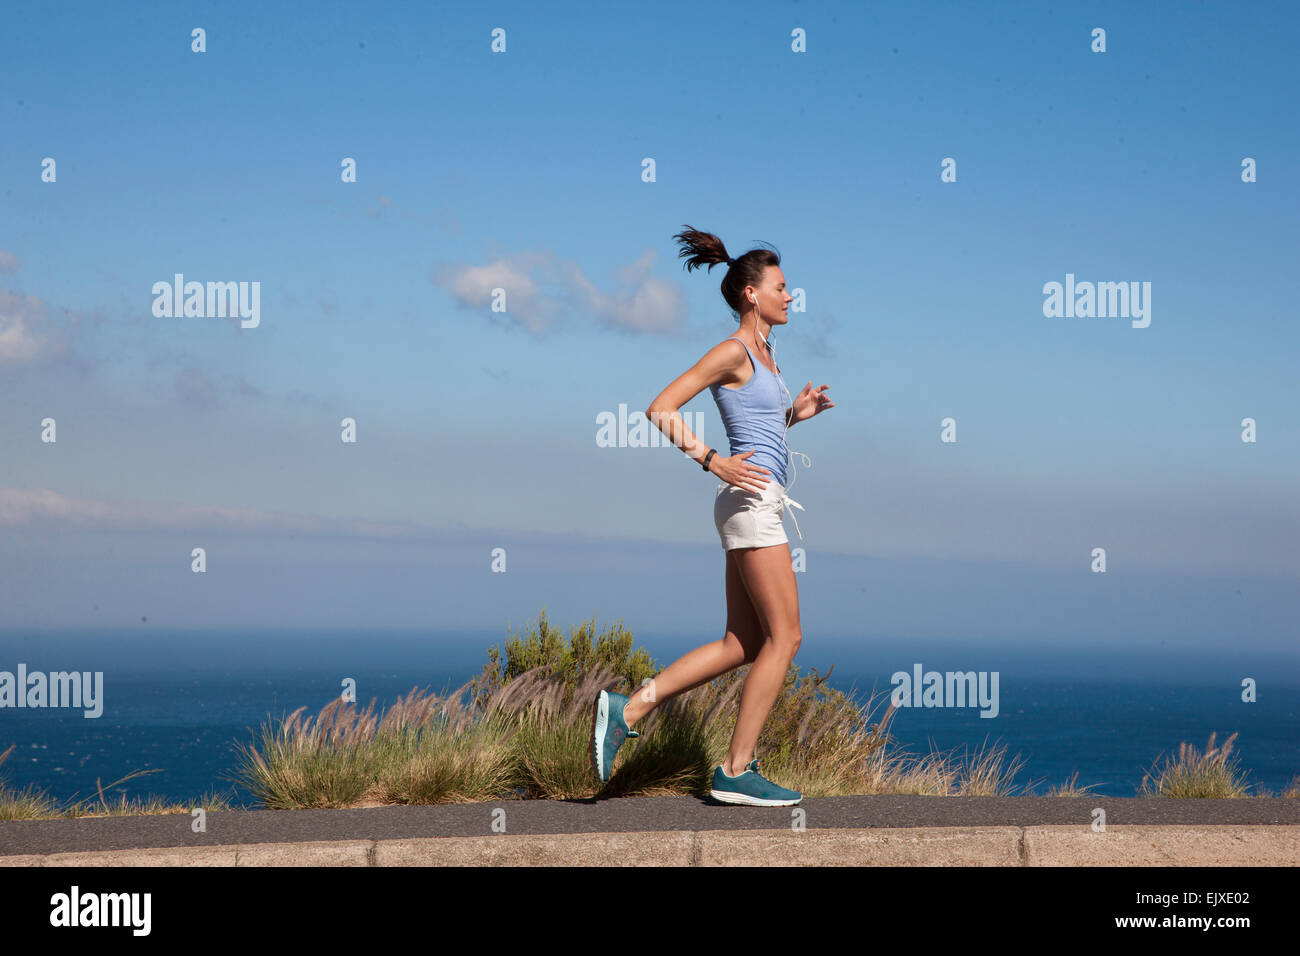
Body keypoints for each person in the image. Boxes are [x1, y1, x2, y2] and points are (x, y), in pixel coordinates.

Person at [590, 225, 835, 806]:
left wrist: (796, 414)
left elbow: (762, 429)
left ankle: (633, 705)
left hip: (754, 498)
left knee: (740, 643)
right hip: (749, 501)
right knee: (787, 637)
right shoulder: (732, 350)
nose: (790, 295)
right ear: (752, 294)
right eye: (781, 286)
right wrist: (711, 460)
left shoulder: (768, 357)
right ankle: (734, 769)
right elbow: (661, 408)